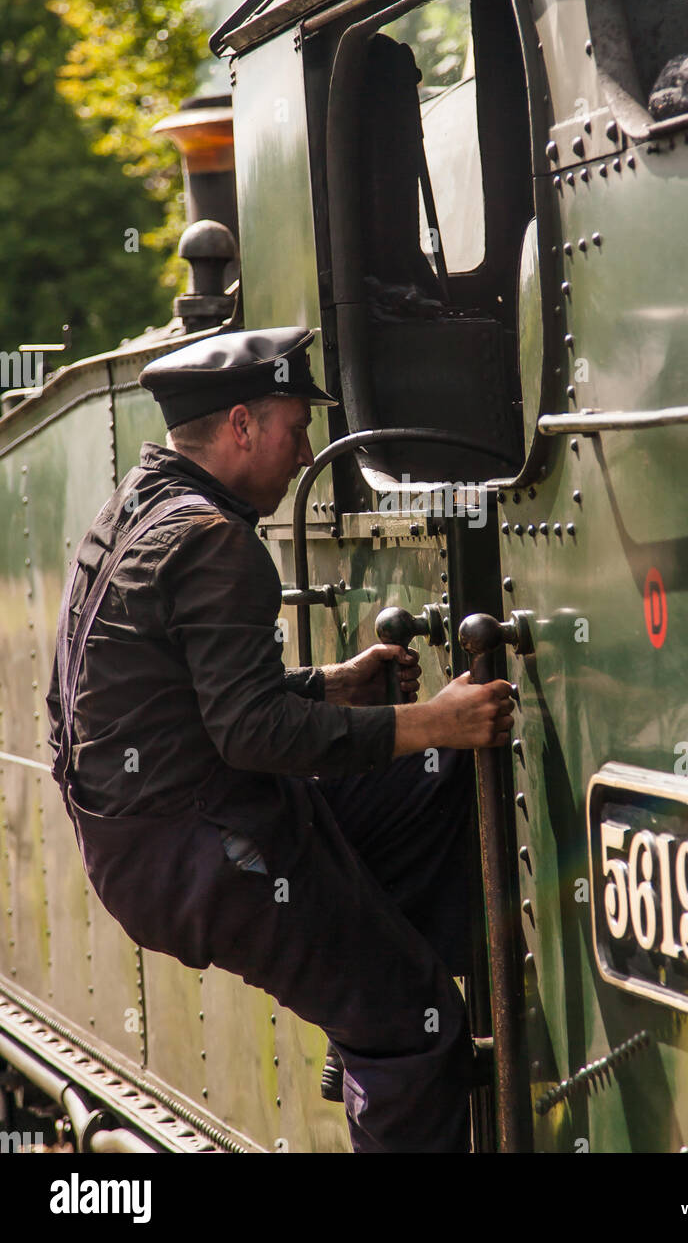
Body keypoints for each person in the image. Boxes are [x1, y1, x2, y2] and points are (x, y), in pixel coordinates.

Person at [46, 326, 514, 1154]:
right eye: (295, 428)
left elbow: (178, 705)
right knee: (417, 1022)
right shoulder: (215, 542)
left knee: (422, 787)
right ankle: (377, 1042)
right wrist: (437, 721)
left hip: (156, 843)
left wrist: (328, 687)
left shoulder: (142, 508)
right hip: (209, 850)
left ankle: (357, 1025)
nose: (305, 454)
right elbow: (250, 734)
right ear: (239, 425)